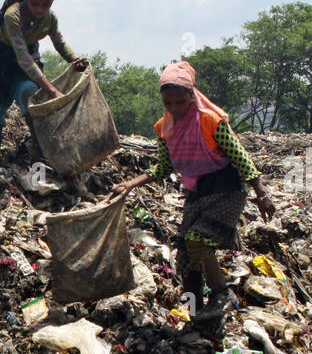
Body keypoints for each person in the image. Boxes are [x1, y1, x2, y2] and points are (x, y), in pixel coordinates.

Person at [113, 61, 276, 321]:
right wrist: (129, 184)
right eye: (168, 103)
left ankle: (223, 294)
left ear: (192, 96)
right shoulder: (164, 128)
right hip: (198, 192)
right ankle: (194, 314)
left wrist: (261, 192)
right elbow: (163, 167)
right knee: (186, 259)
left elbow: (240, 156)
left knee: (197, 240)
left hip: (227, 189)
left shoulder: (210, 121)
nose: (175, 108)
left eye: (180, 102)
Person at [0, 0, 89, 162]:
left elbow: (59, 43)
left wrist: (74, 59)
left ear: (52, 2)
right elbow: (23, 58)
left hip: (28, 58)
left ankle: (41, 152)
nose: (39, 9)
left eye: (46, 4)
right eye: (34, 4)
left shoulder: (50, 19)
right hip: (0, 60)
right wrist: (51, 89)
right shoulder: (12, 15)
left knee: (30, 96)